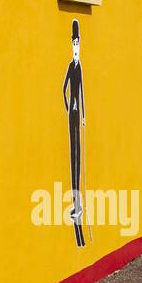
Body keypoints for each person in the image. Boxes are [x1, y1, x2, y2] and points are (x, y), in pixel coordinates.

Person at [61, 19, 86, 247]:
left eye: (78, 42)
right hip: (71, 117)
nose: (76, 47)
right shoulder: (71, 66)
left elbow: (83, 92)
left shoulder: (80, 66)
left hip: (79, 118)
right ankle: (75, 203)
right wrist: (69, 107)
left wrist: (84, 114)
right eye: (74, 43)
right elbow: (64, 89)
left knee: (79, 154)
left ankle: (78, 206)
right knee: (72, 155)